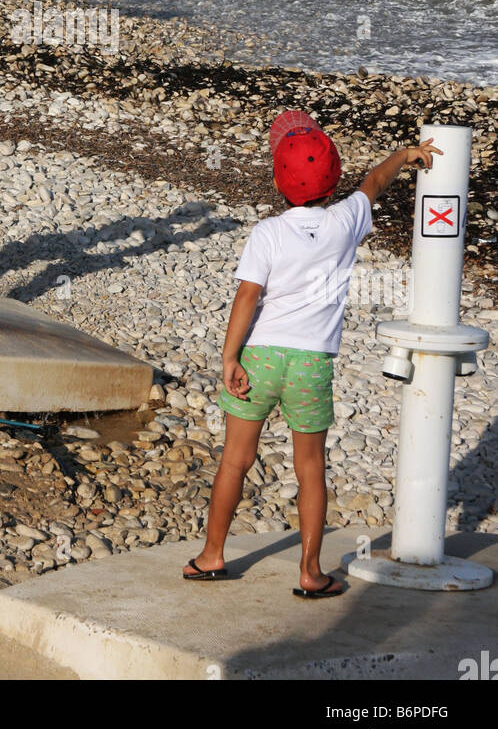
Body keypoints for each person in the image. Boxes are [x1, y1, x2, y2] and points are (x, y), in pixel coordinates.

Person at [182, 110, 440, 597]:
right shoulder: (346, 220)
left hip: (259, 356)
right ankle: (309, 572)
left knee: (234, 460)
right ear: (332, 177)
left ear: (280, 181)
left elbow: (247, 297)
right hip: (310, 363)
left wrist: (229, 358)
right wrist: (405, 156)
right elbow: (375, 181)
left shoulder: (268, 233)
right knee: (311, 468)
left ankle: (211, 556)